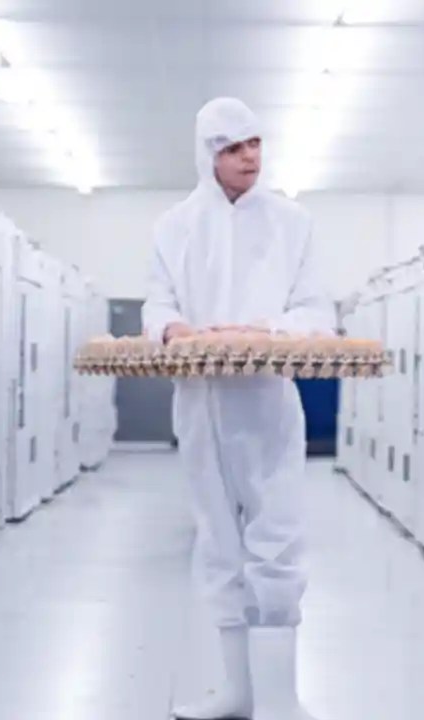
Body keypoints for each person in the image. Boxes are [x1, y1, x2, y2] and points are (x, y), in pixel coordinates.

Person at [142, 97, 333, 720]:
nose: (248, 156)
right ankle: (238, 693)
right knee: (217, 541)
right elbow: (157, 303)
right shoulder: (175, 225)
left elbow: (316, 314)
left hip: (267, 401)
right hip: (200, 405)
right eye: (232, 148)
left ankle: (282, 699)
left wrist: (259, 330)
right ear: (207, 157)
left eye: (254, 143)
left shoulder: (291, 222)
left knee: (277, 538)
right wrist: (171, 330)